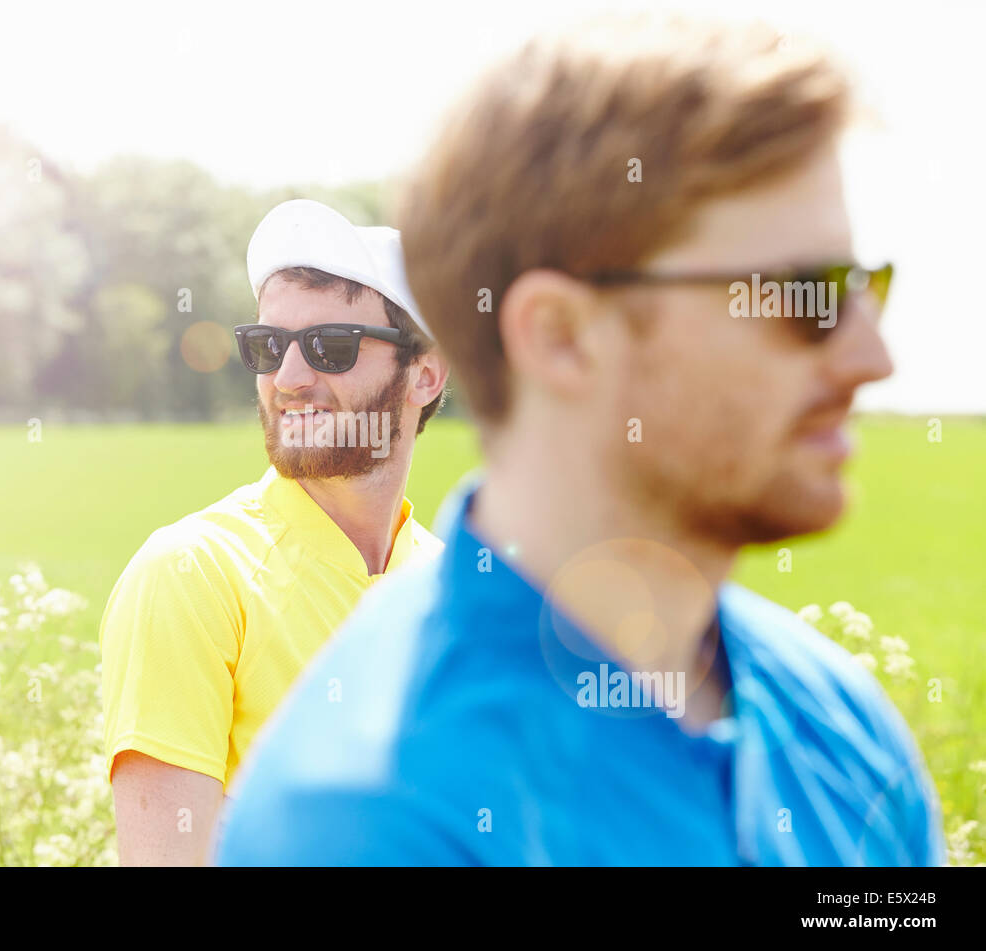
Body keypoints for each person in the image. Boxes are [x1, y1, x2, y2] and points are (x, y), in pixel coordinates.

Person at [217, 18, 945, 865]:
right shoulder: (368, 823)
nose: (871, 357)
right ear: (561, 336)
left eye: (866, 288)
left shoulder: (843, 728)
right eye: (803, 296)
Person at [100, 199, 448, 865]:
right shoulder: (192, 574)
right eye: (267, 346)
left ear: (425, 374)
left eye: (332, 347)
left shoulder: (452, 592)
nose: (288, 378)